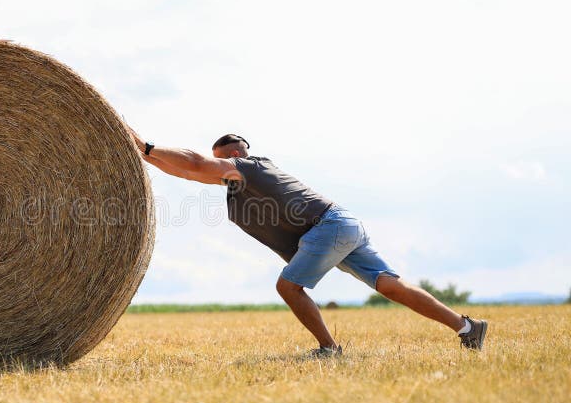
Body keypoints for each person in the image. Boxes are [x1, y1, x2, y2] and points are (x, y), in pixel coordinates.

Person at [126, 130, 487, 356]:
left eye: (219, 161)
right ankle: (468, 327)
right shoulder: (247, 175)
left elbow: (192, 163)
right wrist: (140, 155)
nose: (217, 169)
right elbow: (188, 171)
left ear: (233, 157)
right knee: (390, 285)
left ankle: (329, 349)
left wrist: (148, 145)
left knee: (288, 286)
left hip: (326, 226)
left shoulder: (247, 167)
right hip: (342, 223)